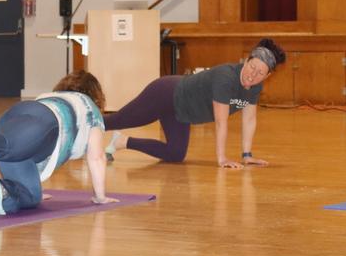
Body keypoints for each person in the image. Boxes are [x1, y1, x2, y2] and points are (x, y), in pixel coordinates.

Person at [0, 70, 115, 215]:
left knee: (32, 197)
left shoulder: (51, 96)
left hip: (17, 118)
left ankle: (2, 191)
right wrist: (100, 197)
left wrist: (37, 186)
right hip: (44, 121)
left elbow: (35, 145)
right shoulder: (90, 109)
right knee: (9, 145)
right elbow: (97, 157)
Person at [103, 38, 286, 168]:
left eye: (260, 73)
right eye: (252, 67)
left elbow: (249, 119)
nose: (253, 75)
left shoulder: (254, 88)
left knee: (175, 154)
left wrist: (247, 155)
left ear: (267, 76)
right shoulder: (226, 78)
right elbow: (221, 121)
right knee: (118, 120)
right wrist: (222, 158)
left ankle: (122, 141)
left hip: (181, 111)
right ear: (246, 61)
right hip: (165, 94)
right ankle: (87, 125)